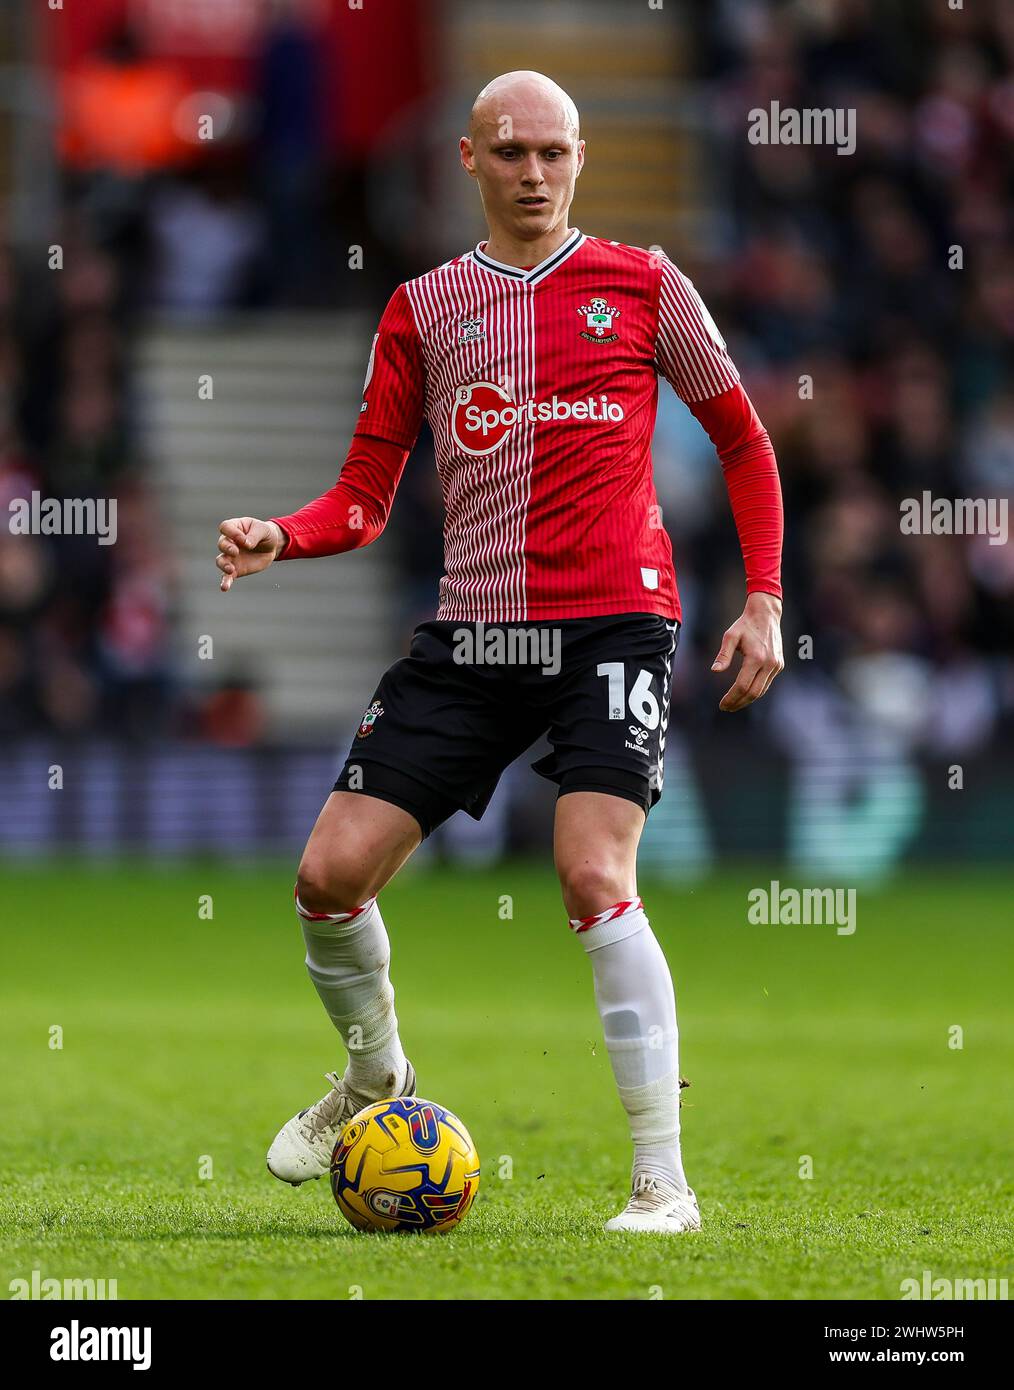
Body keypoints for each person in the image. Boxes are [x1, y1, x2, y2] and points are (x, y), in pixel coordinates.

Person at [216, 71, 784, 1233]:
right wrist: (287, 533)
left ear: (582, 159)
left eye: (554, 152)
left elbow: (745, 438)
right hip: (473, 632)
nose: (534, 172)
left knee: (591, 873)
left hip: (614, 623)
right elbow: (366, 499)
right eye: (511, 151)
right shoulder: (423, 308)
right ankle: (378, 1078)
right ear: (467, 161)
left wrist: (767, 596)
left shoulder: (646, 285)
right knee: (327, 879)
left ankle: (661, 1184)